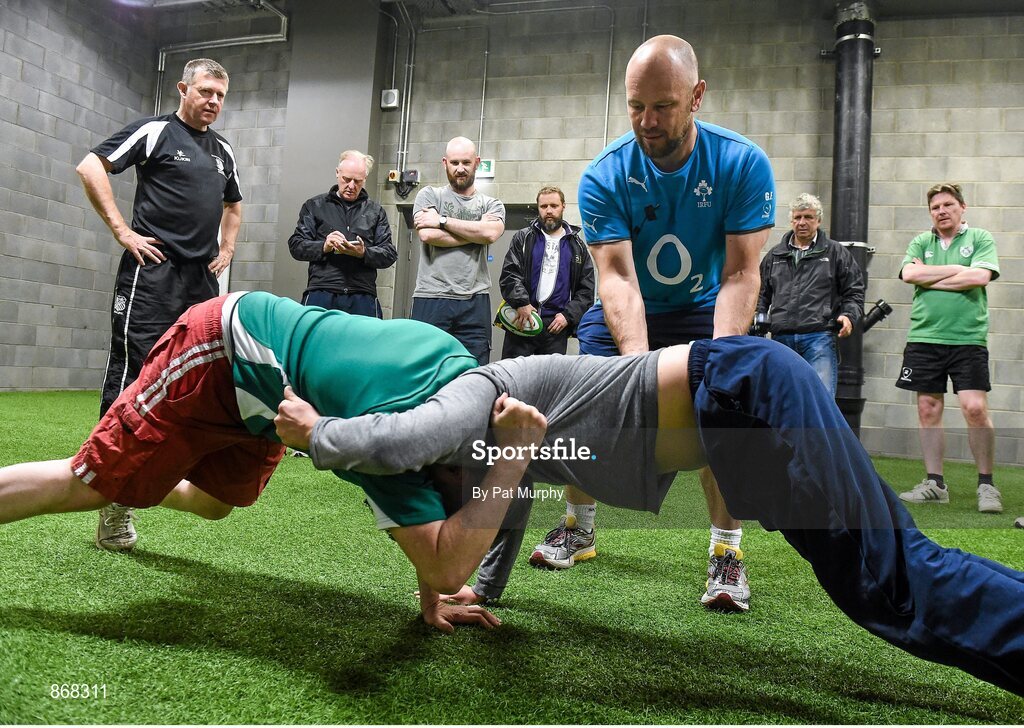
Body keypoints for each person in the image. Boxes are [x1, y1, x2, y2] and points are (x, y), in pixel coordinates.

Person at [276, 335, 1024, 699]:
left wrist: (319, 437)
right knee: (878, 589)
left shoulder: (484, 388)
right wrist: (447, 594)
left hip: (749, 393)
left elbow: (405, 439)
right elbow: (499, 510)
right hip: (741, 427)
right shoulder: (510, 444)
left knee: (895, 575)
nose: (448, 485)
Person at [0, 291, 542, 634]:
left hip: (267, 404)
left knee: (217, 503)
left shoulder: (463, 389)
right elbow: (443, 559)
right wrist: (440, 582)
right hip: (224, 346)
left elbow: (432, 510)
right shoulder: (386, 440)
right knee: (88, 480)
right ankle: (121, 482)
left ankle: (136, 483)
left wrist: (433, 602)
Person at [536, 34, 776, 612]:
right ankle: (579, 525)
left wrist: (720, 362)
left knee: (724, 413)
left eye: (663, 106)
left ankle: (727, 553)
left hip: (705, 305)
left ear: (697, 96)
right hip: (629, 306)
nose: (647, 121)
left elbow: (743, 274)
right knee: (585, 412)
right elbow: (617, 279)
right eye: (635, 106)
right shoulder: (605, 175)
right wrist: (639, 371)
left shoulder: (741, 163)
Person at [75, 58, 241, 553]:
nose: (213, 101)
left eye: (221, 95)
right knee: (132, 379)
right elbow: (90, 165)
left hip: (199, 286)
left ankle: (164, 470)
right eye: (206, 91)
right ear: (184, 88)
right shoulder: (153, 132)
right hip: (151, 277)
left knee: (195, 381)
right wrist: (123, 232)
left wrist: (227, 248)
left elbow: (233, 204)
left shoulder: (224, 151)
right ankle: (111, 502)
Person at [895, 183, 1002, 515]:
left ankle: (987, 484)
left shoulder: (980, 238)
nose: (941, 211)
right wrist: (957, 270)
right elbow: (909, 274)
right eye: (935, 207)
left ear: (962, 207)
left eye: (947, 205)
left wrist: (931, 278)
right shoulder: (921, 241)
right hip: (924, 338)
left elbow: (980, 278)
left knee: (974, 409)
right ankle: (935, 484)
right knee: (928, 409)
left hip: (968, 339)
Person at [755, 193, 864, 395]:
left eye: (808, 217)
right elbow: (761, 293)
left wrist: (849, 316)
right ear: (791, 220)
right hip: (781, 339)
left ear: (818, 220)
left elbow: (854, 291)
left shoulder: (835, 253)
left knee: (820, 401)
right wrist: (757, 320)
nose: (802, 222)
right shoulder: (775, 255)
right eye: (797, 217)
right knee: (782, 400)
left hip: (819, 338)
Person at [411, 136, 506, 365]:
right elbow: (427, 235)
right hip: (432, 296)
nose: (460, 169)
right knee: (426, 366)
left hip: (475, 299)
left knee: (475, 368)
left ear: (477, 163)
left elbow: (491, 234)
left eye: (466, 162)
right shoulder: (429, 195)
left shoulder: (491, 204)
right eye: (454, 163)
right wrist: (477, 233)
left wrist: (442, 220)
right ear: (445, 163)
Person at [287, 150, 397, 317]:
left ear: (365, 179)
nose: (351, 186)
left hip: (362, 295)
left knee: (364, 343)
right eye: (347, 179)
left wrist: (364, 253)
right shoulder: (314, 206)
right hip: (322, 291)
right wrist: (324, 246)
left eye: (358, 181)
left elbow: (389, 253)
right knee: (316, 343)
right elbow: (296, 245)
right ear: (337, 173)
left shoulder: (375, 212)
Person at [497, 186, 595, 358]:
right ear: (538, 208)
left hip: (556, 327)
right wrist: (521, 303)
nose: (548, 211)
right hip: (522, 319)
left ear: (563, 206)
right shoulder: (523, 238)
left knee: (551, 382)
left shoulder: (577, 246)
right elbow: (509, 274)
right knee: (513, 377)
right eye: (543, 206)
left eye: (554, 206)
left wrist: (568, 316)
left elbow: (586, 289)